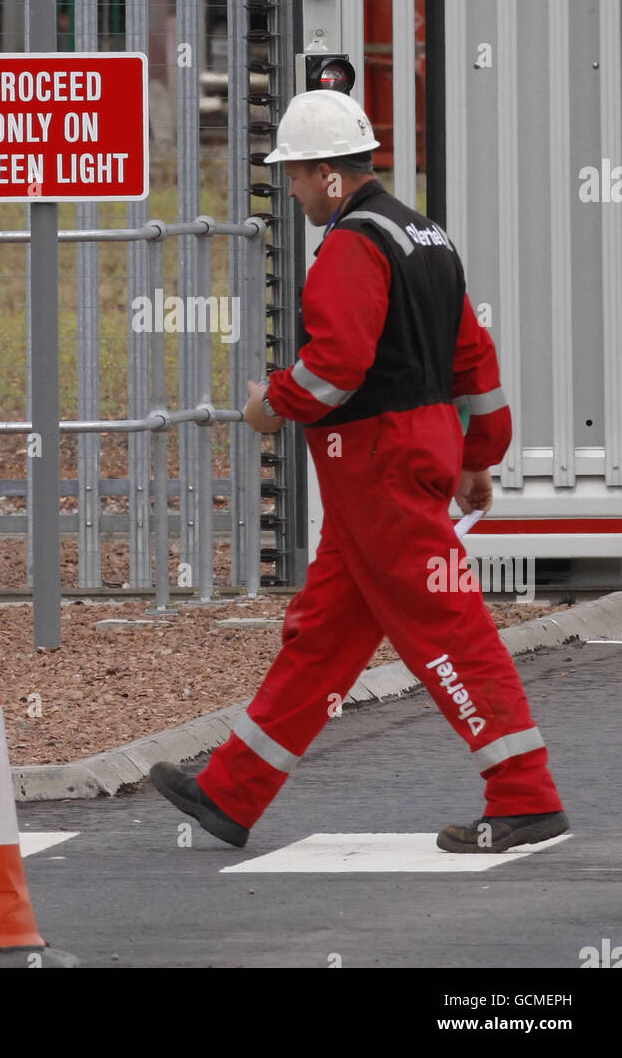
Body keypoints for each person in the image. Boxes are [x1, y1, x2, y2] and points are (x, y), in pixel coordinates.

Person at [151, 89, 568, 853]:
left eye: (294, 176)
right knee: (323, 635)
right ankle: (230, 791)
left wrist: (269, 405)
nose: (292, 191)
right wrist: (478, 457)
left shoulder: (350, 246)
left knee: (449, 629)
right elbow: (473, 362)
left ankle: (525, 794)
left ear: (327, 174)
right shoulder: (426, 237)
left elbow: (334, 369)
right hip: (406, 461)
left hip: (377, 471)